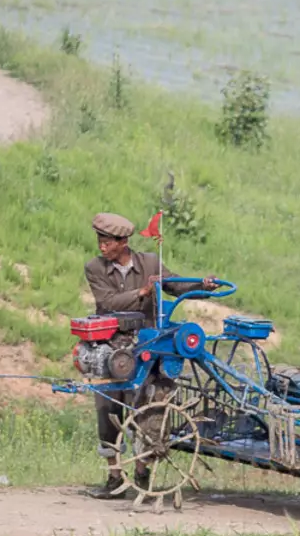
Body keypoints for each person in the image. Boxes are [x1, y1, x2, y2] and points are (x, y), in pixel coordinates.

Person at [83, 212, 216, 500]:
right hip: (114, 347)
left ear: (123, 241)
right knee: (108, 408)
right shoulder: (94, 267)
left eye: (106, 241)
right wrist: (141, 291)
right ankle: (114, 476)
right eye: (99, 240)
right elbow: (106, 302)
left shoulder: (151, 263)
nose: (101, 246)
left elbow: (177, 285)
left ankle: (142, 472)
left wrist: (202, 286)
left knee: (150, 406)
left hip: (149, 345)